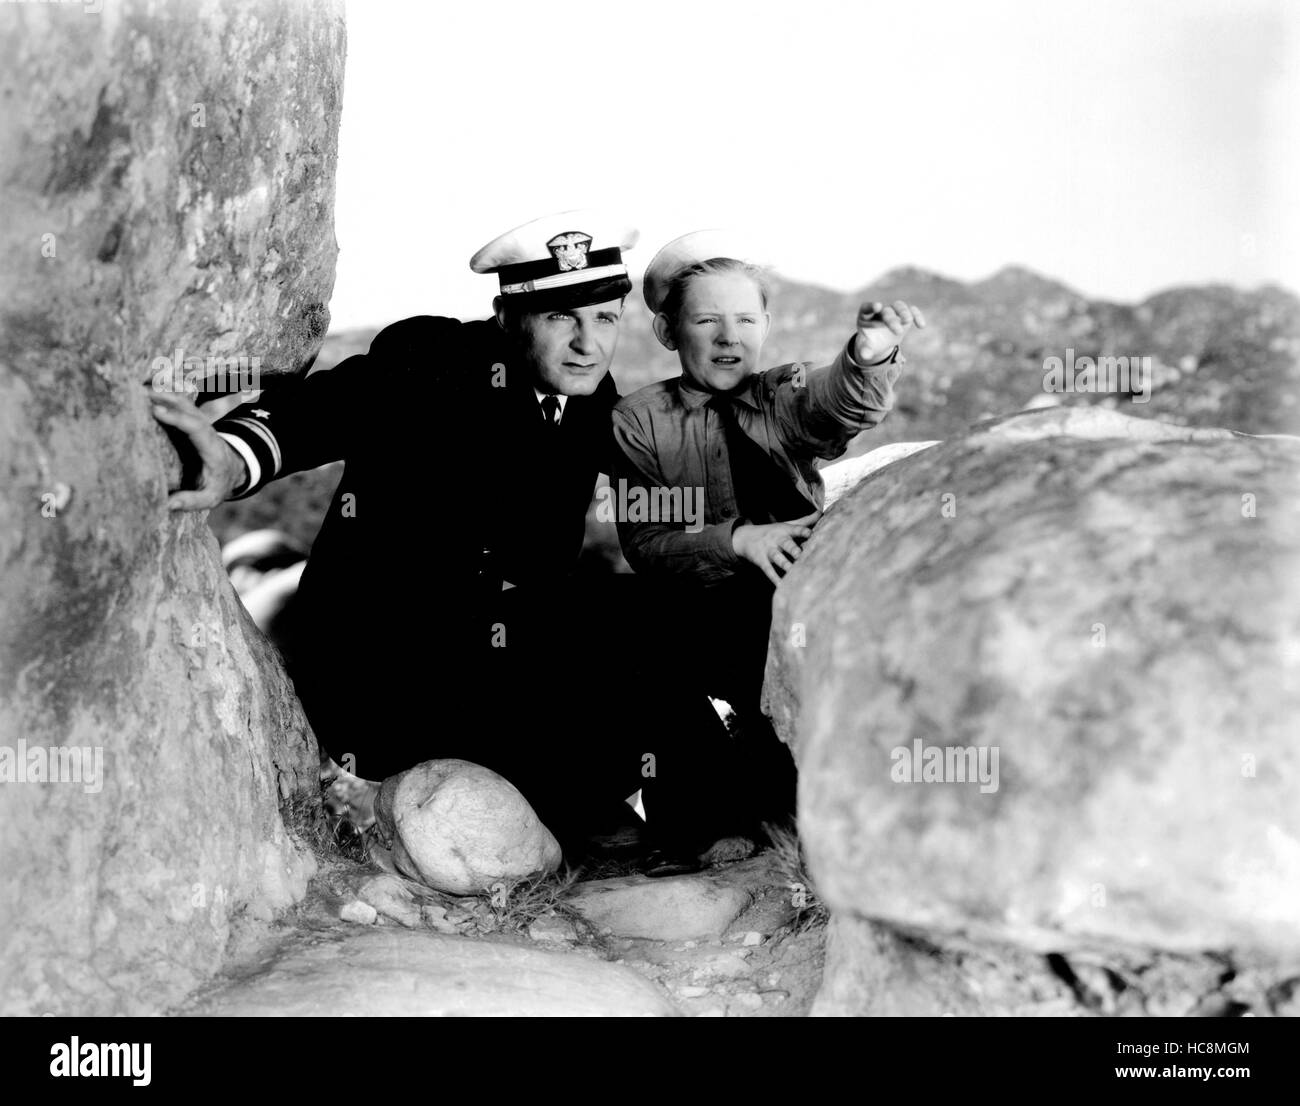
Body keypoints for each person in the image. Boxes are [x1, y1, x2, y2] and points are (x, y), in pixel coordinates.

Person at [151, 211, 659, 853]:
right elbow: (325, 410)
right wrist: (231, 459)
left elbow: (660, 461)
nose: (587, 343)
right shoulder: (434, 363)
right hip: (382, 668)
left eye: (604, 319)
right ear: (508, 317)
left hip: (490, 655)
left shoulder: (588, 396)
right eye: (561, 318)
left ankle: (612, 806)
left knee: (651, 612)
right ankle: (561, 809)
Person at [610, 231, 927, 833]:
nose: (730, 337)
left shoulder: (781, 394)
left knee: (790, 783)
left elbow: (833, 404)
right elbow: (647, 545)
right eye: (706, 320)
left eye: (746, 318)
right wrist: (737, 540)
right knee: (642, 652)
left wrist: (867, 356)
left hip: (795, 602)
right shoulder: (639, 421)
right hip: (701, 611)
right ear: (668, 331)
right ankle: (690, 826)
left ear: (766, 323)